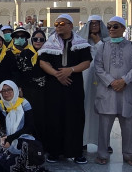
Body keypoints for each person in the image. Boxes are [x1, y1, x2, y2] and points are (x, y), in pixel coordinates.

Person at [38, 13, 92, 163]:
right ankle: (54, 152)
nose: (58, 27)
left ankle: (75, 151)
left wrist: (71, 70)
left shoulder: (80, 43)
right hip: (54, 87)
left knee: (74, 118)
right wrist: (57, 74)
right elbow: (43, 63)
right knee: (54, 118)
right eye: (56, 25)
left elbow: (86, 62)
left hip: (73, 87)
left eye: (62, 24)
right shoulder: (50, 43)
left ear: (70, 25)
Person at [91, 16, 132, 165]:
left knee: (128, 125)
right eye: (109, 27)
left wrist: (124, 81)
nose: (111, 29)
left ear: (123, 29)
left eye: (115, 26)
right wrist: (111, 82)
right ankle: (102, 154)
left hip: (127, 91)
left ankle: (129, 154)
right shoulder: (103, 46)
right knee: (104, 125)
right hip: (107, 91)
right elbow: (98, 67)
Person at [0, 80, 49, 172]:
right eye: (3, 91)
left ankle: (26, 166)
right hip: (5, 137)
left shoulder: (24, 103)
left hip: (22, 136)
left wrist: (11, 138)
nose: (6, 93)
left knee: (23, 149)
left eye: (9, 90)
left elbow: (29, 126)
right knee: (0, 171)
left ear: (15, 90)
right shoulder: (1, 104)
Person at [82, 15, 109, 153]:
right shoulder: (81, 41)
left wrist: (98, 41)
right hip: (85, 78)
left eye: (96, 24)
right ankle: (84, 140)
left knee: (103, 111)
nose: (94, 26)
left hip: (102, 79)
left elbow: (108, 55)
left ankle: (103, 142)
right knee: (85, 109)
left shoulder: (106, 41)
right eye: (91, 24)